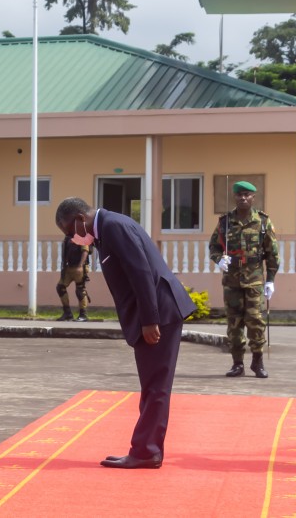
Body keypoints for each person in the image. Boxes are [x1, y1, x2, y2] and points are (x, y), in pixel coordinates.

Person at [54, 197, 196, 470]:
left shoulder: (113, 227)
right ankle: (146, 449)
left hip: (158, 315)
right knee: (152, 386)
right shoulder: (106, 229)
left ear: (80, 219)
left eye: (71, 232)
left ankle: (146, 452)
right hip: (154, 313)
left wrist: (149, 320)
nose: (73, 238)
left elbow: (141, 273)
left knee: (156, 387)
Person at [208, 180, 279, 378]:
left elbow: (272, 253)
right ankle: (237, 363)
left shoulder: (263, 222)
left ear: (253, 198)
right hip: (232, 282)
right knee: (234, 323)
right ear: (235, 197)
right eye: (240, 195)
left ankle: (258, 362)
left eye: (247, 195)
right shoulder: (225, 222)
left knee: (256, 321)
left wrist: (270, 279)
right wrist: (218, 260)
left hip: (255, 280)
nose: (243, 198)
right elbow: (214, 247)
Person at [55, 235, 91, 321]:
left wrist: (80, 265)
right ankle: (67, 313)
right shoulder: (68, 237)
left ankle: (83, 315)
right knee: (60, 287)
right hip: (68, 268)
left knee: (80, 290)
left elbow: (85, 251)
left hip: (78, 268)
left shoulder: (81, 235)